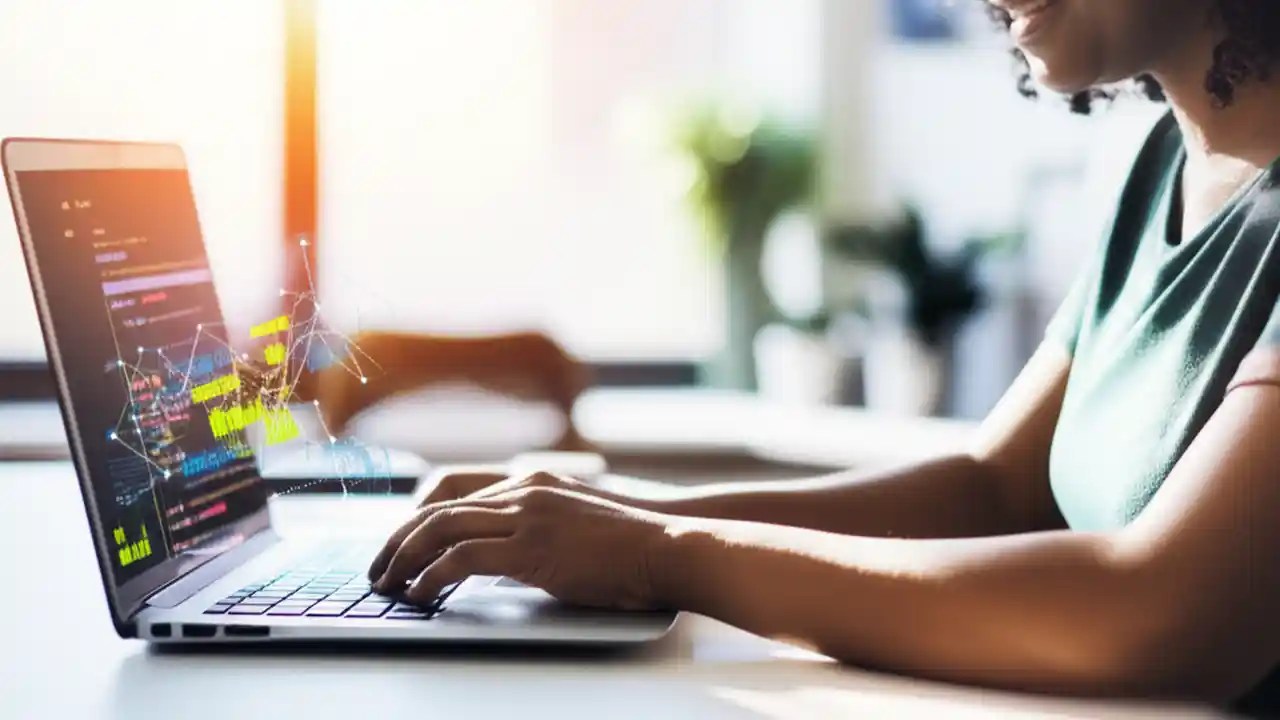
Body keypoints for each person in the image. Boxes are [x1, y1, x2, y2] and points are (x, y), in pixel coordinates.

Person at [366, 0, 1280, 706]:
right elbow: (991, 488)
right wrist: (610, 516)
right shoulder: (1163, 164)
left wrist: (662, 553)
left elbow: (1162, 616)